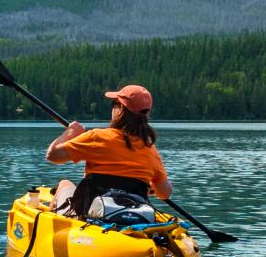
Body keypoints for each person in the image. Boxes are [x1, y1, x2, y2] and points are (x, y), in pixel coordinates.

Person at [46, 84, 173, 218]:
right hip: (130, 210)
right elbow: (165, 193)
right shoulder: (150, 149)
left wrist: (70, 132)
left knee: (64, 184)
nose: (112, 108)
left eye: (114, 103)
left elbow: (53, 155)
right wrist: (150, 185)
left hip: (91, 211)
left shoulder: (97, 137)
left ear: (121, 109)